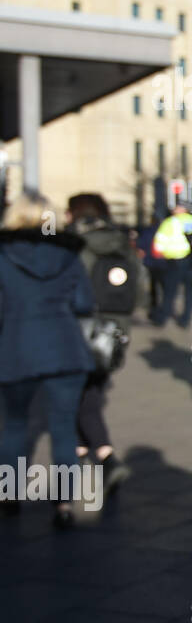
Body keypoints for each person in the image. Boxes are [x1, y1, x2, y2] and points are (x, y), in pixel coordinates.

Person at [0, 192, 95, 527]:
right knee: (64, 428)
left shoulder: (3, 255)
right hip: (65, 347)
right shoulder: (69, 254)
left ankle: (9, 495)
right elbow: (84, 303)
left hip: (15, 347)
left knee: (13, 425)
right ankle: (63, 505)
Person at [66, 192, 141, 493]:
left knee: (79, 395)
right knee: (91, 391)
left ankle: (105, 455)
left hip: (79, 328)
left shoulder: (73, 244)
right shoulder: (121, 241)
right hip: (114, 332)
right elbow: (140, 291)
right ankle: (82, 452)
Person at [148, 202, 192, 328]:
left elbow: (160, 240)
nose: (174, 209)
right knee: (190, 292)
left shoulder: (170, 222)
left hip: (174, 259)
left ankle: (163, 317)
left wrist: (159, 255)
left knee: (169, 291)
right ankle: (186, 319)